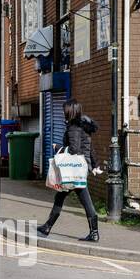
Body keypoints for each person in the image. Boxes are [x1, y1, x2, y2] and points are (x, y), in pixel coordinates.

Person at [37, 99, 103, 242]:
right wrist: (95, 164)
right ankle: (48, 226)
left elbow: (74, 149)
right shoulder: (83, 125)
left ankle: (94, 233)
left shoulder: (74, 127)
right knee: (62, 197)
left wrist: (57, 148)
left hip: (74, 171)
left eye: (64, 109)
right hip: (81, 168)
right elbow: (89, 148)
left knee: (81, 200)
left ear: (70, 111)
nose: (62, 112)